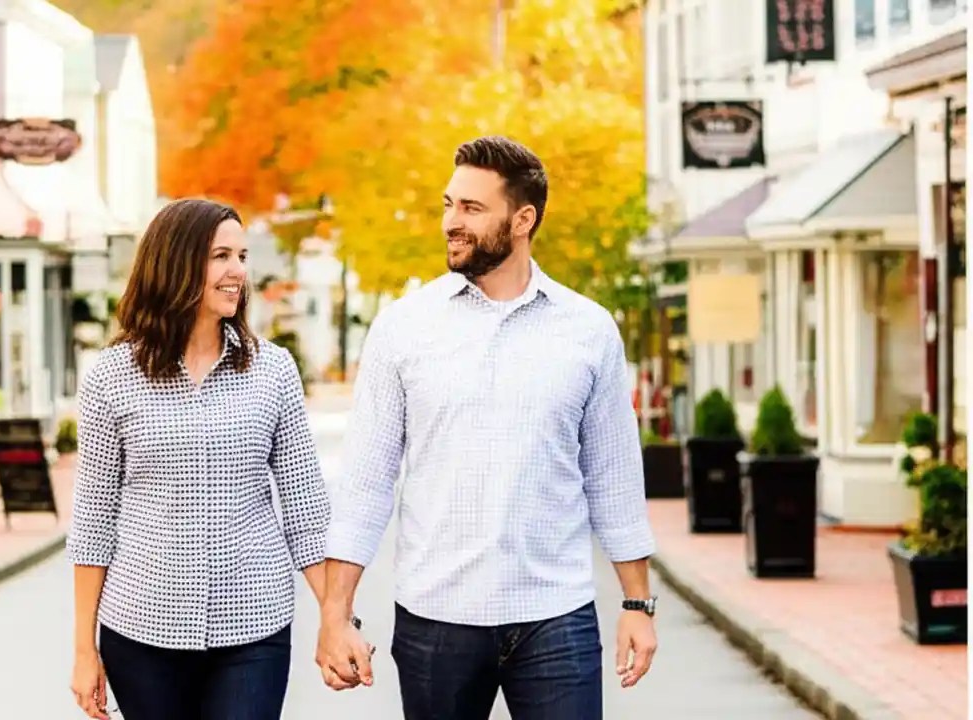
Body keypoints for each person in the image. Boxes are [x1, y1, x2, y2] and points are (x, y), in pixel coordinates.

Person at [315, 136, 659, 719]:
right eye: (449, 205)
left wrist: (638, 603)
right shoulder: (404, 329)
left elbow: (614, 479)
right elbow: (366, 485)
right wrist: (335, 614)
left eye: (472, 209)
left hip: (556, 617)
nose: (452, 222)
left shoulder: (589, 330)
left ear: (523, 219)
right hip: (435, 622)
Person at [67, 198, 331, 720]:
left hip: (254, 625)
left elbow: (306, 510)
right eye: (220, 256)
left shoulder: (273, 371)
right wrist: (83, 649)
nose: (238, 271)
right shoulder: (112, 377)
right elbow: (93, 522)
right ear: (176, 263)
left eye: (242, 256)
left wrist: (336, 616)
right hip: (142, 629)